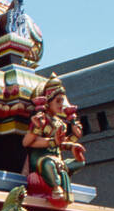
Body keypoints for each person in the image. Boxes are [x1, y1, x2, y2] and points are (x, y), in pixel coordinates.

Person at [23, 75, 85, 204]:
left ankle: (60, 187)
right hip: (41, 159)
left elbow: (62, 143)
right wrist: (49, 139)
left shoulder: (60, 123)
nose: (61, 105)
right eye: (58, 101)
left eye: (62, 101)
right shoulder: (41, 120)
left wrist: (73, 146)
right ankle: (56, 188)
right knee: (49, 165)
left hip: (57, 159)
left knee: (80, 162)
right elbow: (27, 142)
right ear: (48, 102)